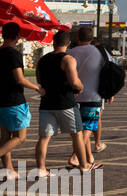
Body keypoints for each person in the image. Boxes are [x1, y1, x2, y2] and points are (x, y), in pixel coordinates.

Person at [37, 30, 87, 174]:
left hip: (46, 103)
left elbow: (39, 80)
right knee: (77, 134)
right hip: (66, 103)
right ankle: (84, 166)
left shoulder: (42, 60)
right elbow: (74, 82)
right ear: (68, 43)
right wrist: (81, 87)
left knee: (44, 138)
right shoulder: (68, 59)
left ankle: (41, 169)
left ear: (53, 42)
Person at [0, 22, 41, 180]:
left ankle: (9, 170)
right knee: (20, 137)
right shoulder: (13, 54)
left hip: (1, 101)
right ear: (17, 36)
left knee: (5, 138)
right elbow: (20, 79)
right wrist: (37, 88)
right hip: (13, 101)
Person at [68, 27, 110, 164]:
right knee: (88, 127)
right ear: (92, 38)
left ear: (78, 37)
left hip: (74, 96)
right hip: (93, 95)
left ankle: (89, 157)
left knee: (81, 127)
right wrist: (110, 91)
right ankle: (75, 156)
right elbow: (109, 71)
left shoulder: (69, 53)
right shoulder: (99, 52)